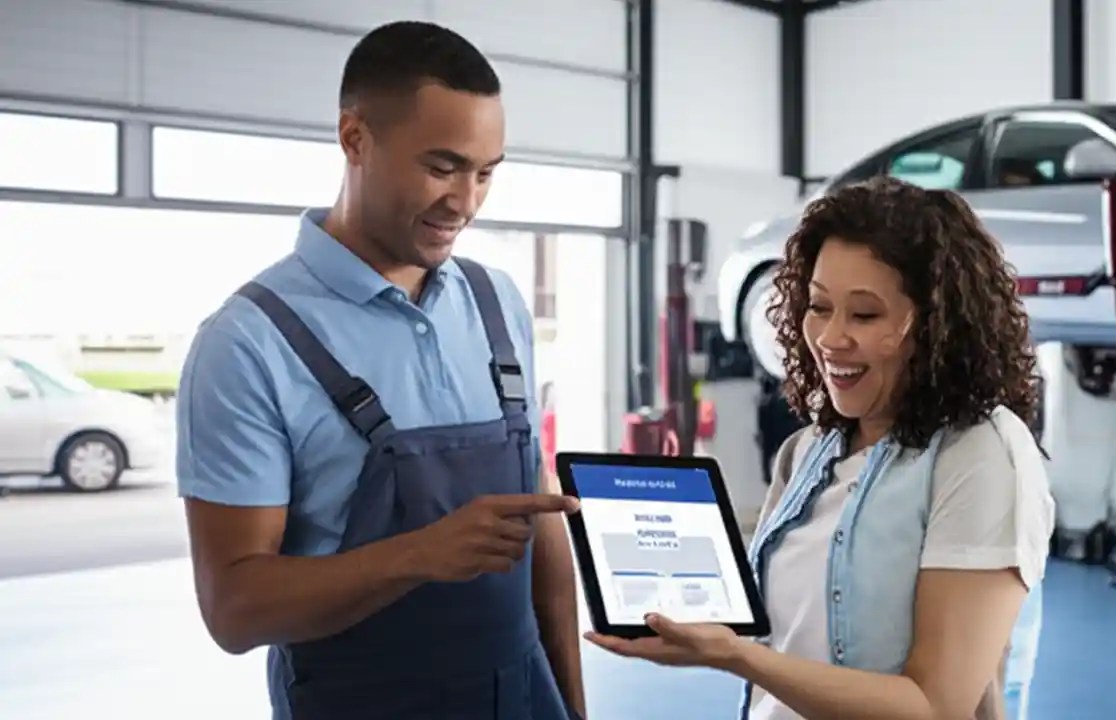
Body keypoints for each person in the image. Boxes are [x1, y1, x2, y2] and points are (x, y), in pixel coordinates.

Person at [175, 21, 586, 720]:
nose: (465, 202)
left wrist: (573, 709)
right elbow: (234, 608)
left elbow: (539, 526)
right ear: (354, 138)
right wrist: (418, 554)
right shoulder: (249, 343)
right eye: (441, 166)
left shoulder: (499, 303)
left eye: (484, 173)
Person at [586, 176, 1056, 720]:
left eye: (864, 314)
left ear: (937, 326)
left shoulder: (981, 454)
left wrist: (735, 655)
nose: (831, 338)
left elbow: (933, 707)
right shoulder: (808, 449)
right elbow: (785, 638)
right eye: (819, 306)